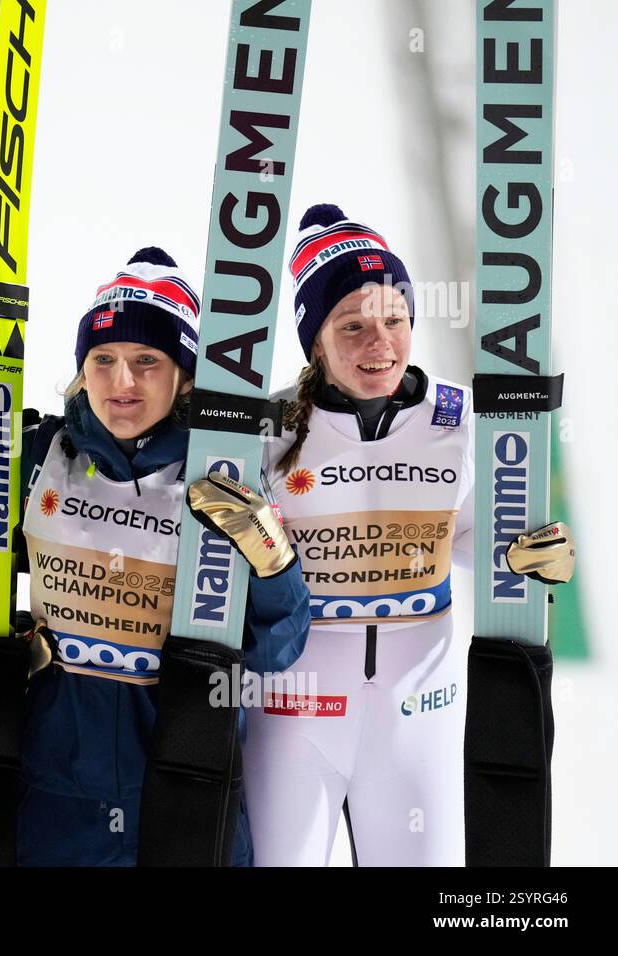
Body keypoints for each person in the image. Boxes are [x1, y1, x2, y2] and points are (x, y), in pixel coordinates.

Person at [247, 204, 574, 866]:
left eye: (395, 320)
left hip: (418, 715)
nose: (381, 343)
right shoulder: (269, 430)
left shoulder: (459, 421)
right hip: (292, 716)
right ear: (314, 340)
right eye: (353, 326)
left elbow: (477, 540)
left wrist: (534, 558)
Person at [6, 247, 311, 865]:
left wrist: (275, 563)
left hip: (184, 786)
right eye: (104, 360)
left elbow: (275, 649)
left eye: (147, 361)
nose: (122, 382)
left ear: (186, 375)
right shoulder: (41, 456)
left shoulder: (223, 471)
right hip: (54, 795)